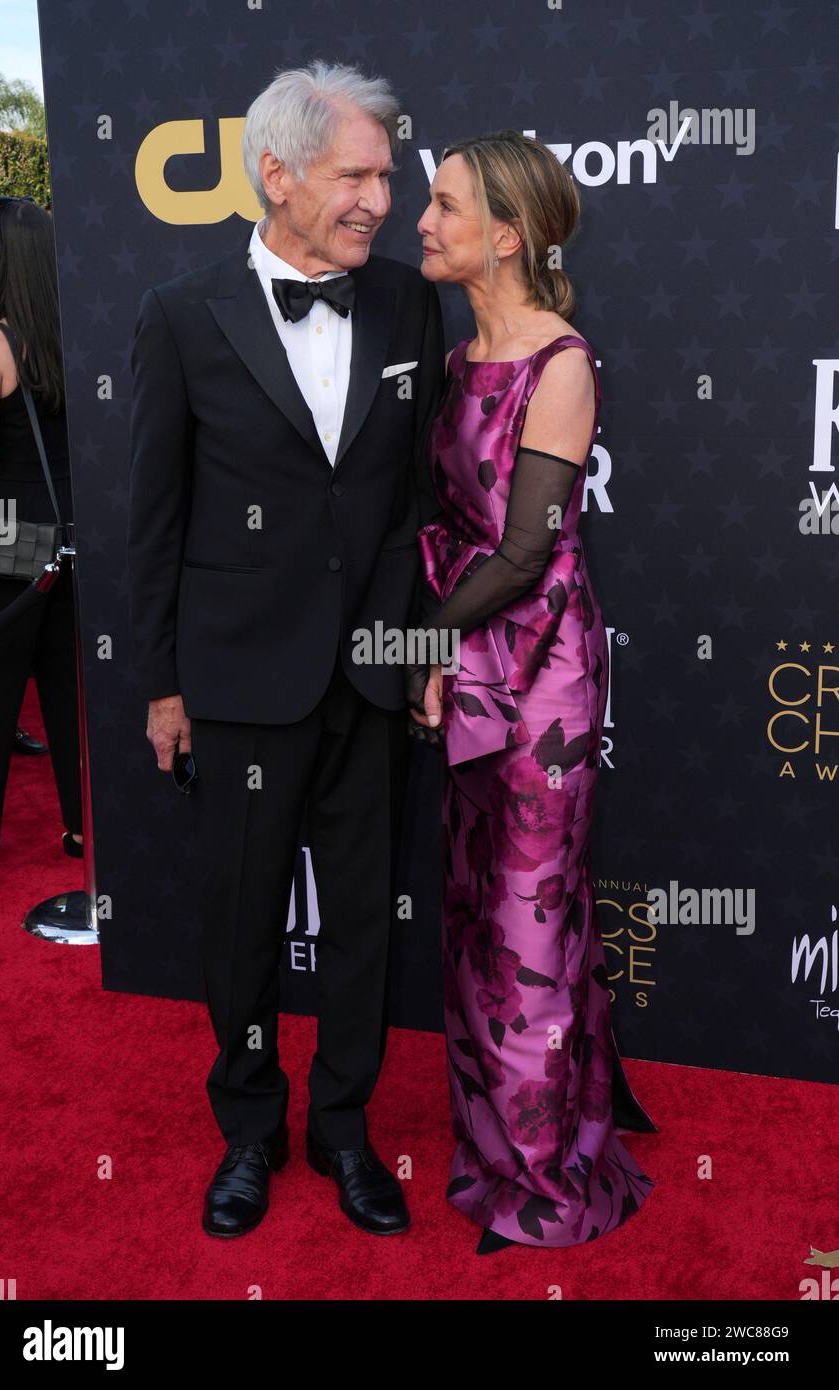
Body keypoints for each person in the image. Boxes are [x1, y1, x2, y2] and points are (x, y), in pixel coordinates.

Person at [128, 61, 445, 1239]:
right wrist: (161, 682)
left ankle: (346, 1130)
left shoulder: (410, 305)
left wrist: (413, 649)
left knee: (364, 919)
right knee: (243, 919)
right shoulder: (179, 313)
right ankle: (249, 1131)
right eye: (355, 174)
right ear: (276, 174)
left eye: (386, 173)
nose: (381, 197)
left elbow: (416, 499)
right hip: (238, 681)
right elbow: (153, 517)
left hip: (368, 676)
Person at [408, 130, 657, 1253]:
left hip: (539, 665)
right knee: (477, 910)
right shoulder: (459, 358)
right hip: (471, 659)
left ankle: (544, 1177)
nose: (423, 222)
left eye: (446, 207)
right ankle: (516, 1129)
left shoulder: (560, 364)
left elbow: (524, 552)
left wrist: (416, 639)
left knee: (524, 921)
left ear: (504, 236)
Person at [0, 197, 82, 878]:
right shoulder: (76, 335)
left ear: (0, 257)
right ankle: (83, 827)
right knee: (71, 692)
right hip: (73, 532)